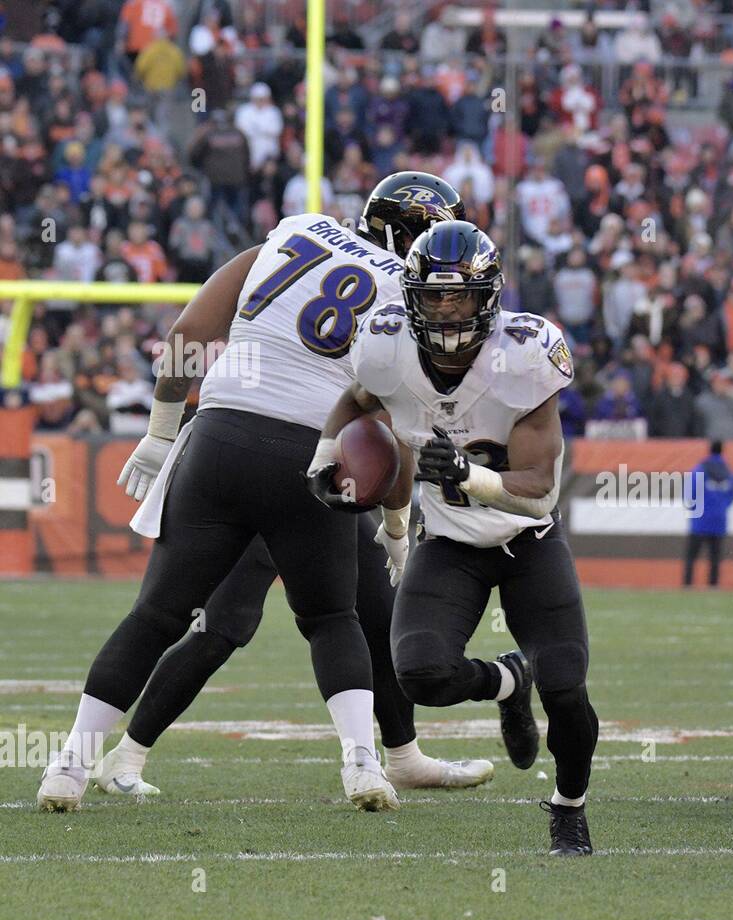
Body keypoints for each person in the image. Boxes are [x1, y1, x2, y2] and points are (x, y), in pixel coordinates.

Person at [37, 173, 469, 814]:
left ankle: (69, 766)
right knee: (330, 618)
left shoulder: (295, 231)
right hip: (310, 452)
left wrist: (160, 433)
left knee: (155, 616)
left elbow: (189, 330)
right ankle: (361, 767)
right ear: (407, 235)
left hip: (217, 439)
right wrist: (398, 528)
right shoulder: (405, 294)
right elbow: (397, 426)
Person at [310, 220, 601, 856]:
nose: (446, 309)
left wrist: (473, 476)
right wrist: (325, 455)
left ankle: (568, 807)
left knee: (566, 685)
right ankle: (505, 682)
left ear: (488, 296)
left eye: (460, 295)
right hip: (448, 544)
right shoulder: (386, 346)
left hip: (529, 539)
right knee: (418, 673)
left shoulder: (524, 356)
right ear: (411, 296)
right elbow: (356, 398)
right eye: (434, 296)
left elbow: (540, 491)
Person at [683, 441, 733, 588]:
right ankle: (713, 586)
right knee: (715, 558)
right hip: (719, 520)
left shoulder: (699, 470)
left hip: (699, 520)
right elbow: (732, 495)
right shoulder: (729, 473)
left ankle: (687, 586)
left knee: (691, 557)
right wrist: (721, 508)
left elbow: (689, 492)